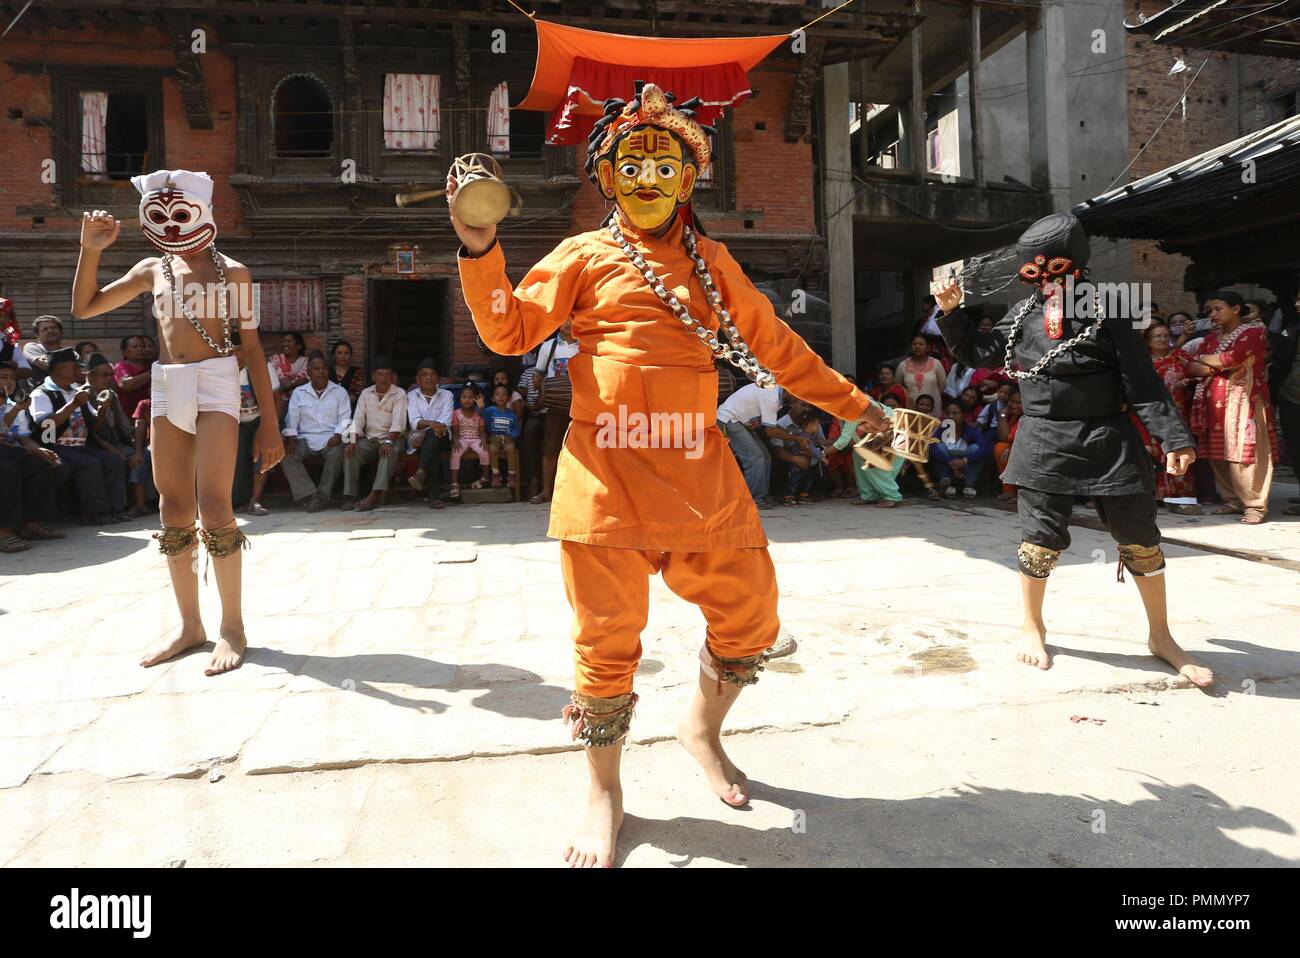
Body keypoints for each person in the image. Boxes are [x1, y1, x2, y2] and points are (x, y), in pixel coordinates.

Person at [453, 80, 884, 867]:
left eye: (665, 163)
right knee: (605, 642)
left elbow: (780, 350)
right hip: (604, 478)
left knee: (752, 616)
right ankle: (605, 791)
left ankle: (700, 729)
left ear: (690, 180)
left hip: (699, 475)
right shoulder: (583, 255)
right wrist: (482, 249)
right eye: (631, 162)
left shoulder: (713, 262)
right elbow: (512, 331)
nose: (647, 177)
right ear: (606, 178)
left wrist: (856, 406)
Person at [934, 212, 1210, 687]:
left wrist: (1174, 436)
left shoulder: (1111, 311)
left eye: (1052, 270)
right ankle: (1033, 626)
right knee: (1038, 542)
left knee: (1141, 538)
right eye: (1034, 274)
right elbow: (978, 353)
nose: (1044, 281)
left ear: (1074, 265)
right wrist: (952, 313)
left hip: (1110, 440)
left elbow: (1141, 381)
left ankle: (1161, 636)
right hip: (1043, 442)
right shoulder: (1021, 316)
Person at [72, 169, 283, 676]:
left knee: (214, 505)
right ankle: (190, 626)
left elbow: (251, 349)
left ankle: (232, 627)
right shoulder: (151, 269)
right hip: (168, 382)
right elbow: (84, 307)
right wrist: (91, 249)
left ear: (203, 212)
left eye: (180, 213)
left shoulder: (234, 274)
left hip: (216, 380)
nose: (171, 225)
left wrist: (271, 424)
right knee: (172, 507)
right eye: (159, 215)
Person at [1187, 291, 1276, 524]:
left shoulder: (1254, 332)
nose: (1213, 314)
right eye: (1210, 311)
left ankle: (1255, 505)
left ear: (1235, 309)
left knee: (1246, 453)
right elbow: (1192, 367)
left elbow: (1230, 359)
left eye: (1218, 309)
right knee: (1218, 453)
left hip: (1243, 399)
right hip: (1213, 401)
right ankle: (1233, 500)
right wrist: (1213, 363)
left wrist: (1209, 362)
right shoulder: (1210, 338)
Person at [28, 347, 128, 525]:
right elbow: (46, 425)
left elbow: (95, 424)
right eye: (74, 367)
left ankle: (115, 509)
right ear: (59, 370)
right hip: (54, 445)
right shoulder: (42, 393)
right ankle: (94, 513)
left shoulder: (76, 390)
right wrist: (73, 404)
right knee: (89, 464)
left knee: (114, 461)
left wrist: (102, 410)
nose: (78, 371)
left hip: (81, 447)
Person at [1, 364, 68, 552]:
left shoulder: (14, 404)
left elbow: (21, 437)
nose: (8, 381)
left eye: (12, 378)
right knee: (8, 468)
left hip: (11, 452)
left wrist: (39, 450)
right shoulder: (13, 407)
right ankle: (3, 530)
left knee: (41, 464)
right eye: (3, 377)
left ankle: (31, 524)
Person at [716, 381, 810, 509]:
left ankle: (761, 496)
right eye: (798, 396)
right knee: (755, 458)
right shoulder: (771, 397)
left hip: (740, 421)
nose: (800, 400)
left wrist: (795, 437)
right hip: (729, 420)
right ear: (788, 391)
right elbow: (770, 431)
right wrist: (797, 439)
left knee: (765, 457)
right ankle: (753, 499)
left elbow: (770, 426)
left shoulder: (775, 395)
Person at [280, 351, 350, 512]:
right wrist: (291, 439)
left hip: (330, 438)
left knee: (337, 454)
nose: (320, 372)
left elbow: (345, 417)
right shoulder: (299, 393)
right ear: (309, 372)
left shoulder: (339, 392)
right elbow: (292, 417)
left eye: (323, 368)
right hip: (304, 438)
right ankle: (311, 495)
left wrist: (338, 434)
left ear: (328, 370)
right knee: (286, 456)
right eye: (316, 369)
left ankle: (323, 495)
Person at [1139, 323, 1198, 513]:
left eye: (1166, 335)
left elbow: (1198, 370)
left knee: (1178, 451)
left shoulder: (1179, 356)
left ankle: (1181, 497)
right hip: (1151, 415)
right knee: (1154, 454)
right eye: (1158, 336)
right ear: (1148, 340)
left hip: (1178, 414)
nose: (1163, 339)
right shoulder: (1141, 362)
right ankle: (1156, 496)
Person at [85, 352, 148, 517]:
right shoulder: (83, 395)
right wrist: (119, 452)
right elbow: (92, 431)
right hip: (94, 445)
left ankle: (141, 505)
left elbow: (123, 425)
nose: (108, 378)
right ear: (91, 376)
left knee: (141, 457)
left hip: (116, 442)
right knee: (117, 460)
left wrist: (136, 449)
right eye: (104, 375)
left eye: (111, 375)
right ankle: (115, 509)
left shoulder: (111, 394)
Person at [343, 355, 406, 512]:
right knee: (350, 452)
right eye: (380, 374)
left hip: (393, 438)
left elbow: (398, 422)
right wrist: (352, 441)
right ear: (373, 376)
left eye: (387, 375)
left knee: (388, 452)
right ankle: (350, 496)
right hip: (370, 439)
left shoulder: (400, 393)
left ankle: (374, 495)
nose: (383, 378)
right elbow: (358, 420)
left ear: (392, 376)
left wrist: (388, 441)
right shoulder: (366, 393)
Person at [532, 321, 580, 504]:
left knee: (580, 449)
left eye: (572, 319)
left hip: (580, 404)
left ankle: (577, 494)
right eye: (564, 320)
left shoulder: (586, 345)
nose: (568, 324)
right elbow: (538, 375)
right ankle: (546, 491)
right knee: (551, 448)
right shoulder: (548, 347)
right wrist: (537, 383)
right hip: (555, 405)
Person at [232, 339, 278, 515]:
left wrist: (268, 425)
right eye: (232, 351)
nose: (235, 355)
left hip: (261, 419)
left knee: (261, 456)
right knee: (237, 458)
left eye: (239, 350)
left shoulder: (261, 367)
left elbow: (277, 397)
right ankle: (241, 500)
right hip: (237, 422)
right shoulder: (223, 371)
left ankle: (255, 501)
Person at [831, 398, 905, 508]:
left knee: (872, 463)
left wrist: (821, 453)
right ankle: (868, 495)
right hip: (882, 436)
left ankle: (892, 496)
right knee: (858, 454)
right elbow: (850, 435)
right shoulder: (843, 408)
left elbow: (842, 441)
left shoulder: (854, 406)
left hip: (894, 436)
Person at [406, 358, 453, 509]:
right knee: (432, 445)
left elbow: (446, 421)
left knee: (432, 438)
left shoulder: (447, 395)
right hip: (418, 439)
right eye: (424, 375)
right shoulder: (411, 396)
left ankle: (420, 473)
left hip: (443, 435)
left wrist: (427, 429)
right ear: (418, 379)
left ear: (438, 378)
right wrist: (431, 425)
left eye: (432, 374)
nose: (429, 378)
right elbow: (414, 421)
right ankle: (434, 497)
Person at [929, 397, 987, 499]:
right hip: (948, 464)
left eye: (956, 413)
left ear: (964, 415)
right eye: (949, 413)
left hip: (965, 464)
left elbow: (984, 449)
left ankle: (969, 485)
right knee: (940, 446)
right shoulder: (942, 429)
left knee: (975, 448)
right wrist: (951, 462)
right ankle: (946, 484)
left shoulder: (972, 430)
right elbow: (932, 447)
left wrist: (964, 460)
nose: (951, 416)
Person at [448, 385, 489, 499]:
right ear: (460, 399)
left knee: (484, 451)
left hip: (476, 438)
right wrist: (455, 441)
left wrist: (484, 440)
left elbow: (482, 431)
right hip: (462, 439)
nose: (467, 400)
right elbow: (455, 431)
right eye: (464, 397)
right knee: (456, 453)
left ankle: (485, 477)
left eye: (471, 397)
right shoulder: (456, 413)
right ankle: (455, 483)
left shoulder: (478, 414)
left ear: (475, 399)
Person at [484, 383, 521, 490]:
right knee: (492, 449)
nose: (501, 396)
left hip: (508, 439)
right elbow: (481, 417)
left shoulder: (512, 414)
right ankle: (496, 474)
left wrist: (512, 435)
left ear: (509, 399)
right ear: (492, 398)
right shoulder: (490, 411)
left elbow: (516, 429)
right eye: (497, 394)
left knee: (511, 449)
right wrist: (480, 407)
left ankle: (511, 474)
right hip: (494, 438)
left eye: (504, 395)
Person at [897, 334, 947, 411]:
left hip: (932, 408)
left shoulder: (936, 363)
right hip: (911, 408)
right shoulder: (902, 365)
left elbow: (942, 385)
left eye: (921, 344)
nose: (917, 347)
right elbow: (898, 387)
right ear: (911, 347)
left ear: (927, 347)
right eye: (914, 344)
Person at [269, 332, 309, 421]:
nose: (285, 344)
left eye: (289, 341)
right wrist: (295, 383)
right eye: (284, 341)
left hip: (301, 404)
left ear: (299, 346)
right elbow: (272, 381)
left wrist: (290, 384)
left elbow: (307, 381)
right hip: (278, 404)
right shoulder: (275, 360)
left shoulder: (306, 362)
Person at [993, 388, 1023, 502]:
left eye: (1018, 403)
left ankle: (1020, 493)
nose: (1014, 405)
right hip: (1013, 447)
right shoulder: (1010, 415)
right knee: (999, 448)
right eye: (1012, 401)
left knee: (1004, 450)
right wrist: (1002, 415)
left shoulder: (1028, 417)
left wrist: (1012, 448)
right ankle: (1009, 490)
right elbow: (1003, 437)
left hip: (1026, 449)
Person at [113, 335, 151, 420]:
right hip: (129, 415)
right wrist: (150, 374)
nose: (139, 349)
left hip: (149, 414)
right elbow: (125, 384)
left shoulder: (150, 366)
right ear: (124, 351)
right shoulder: (121, 366)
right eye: (134, 347)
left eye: (142, 346)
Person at [329, 339, 364, 409]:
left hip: (351, 408)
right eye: (340, 353)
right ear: (334, 356)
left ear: (350, 356)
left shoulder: (356, 371)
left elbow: (359, 391)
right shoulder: (327, 372)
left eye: (346, 353)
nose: (343, 356)